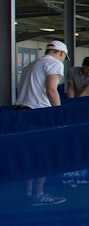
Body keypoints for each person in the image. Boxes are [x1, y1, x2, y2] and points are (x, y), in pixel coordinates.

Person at [13, 40, 68, 205]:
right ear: (61, 53)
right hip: (39, 114)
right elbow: (51, 89)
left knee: (28, 154)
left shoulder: (32, 64)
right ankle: (38, 195)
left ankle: (28, 193)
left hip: (20, 113)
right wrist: (58, 114)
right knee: (42, 155)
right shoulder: (54, 64)